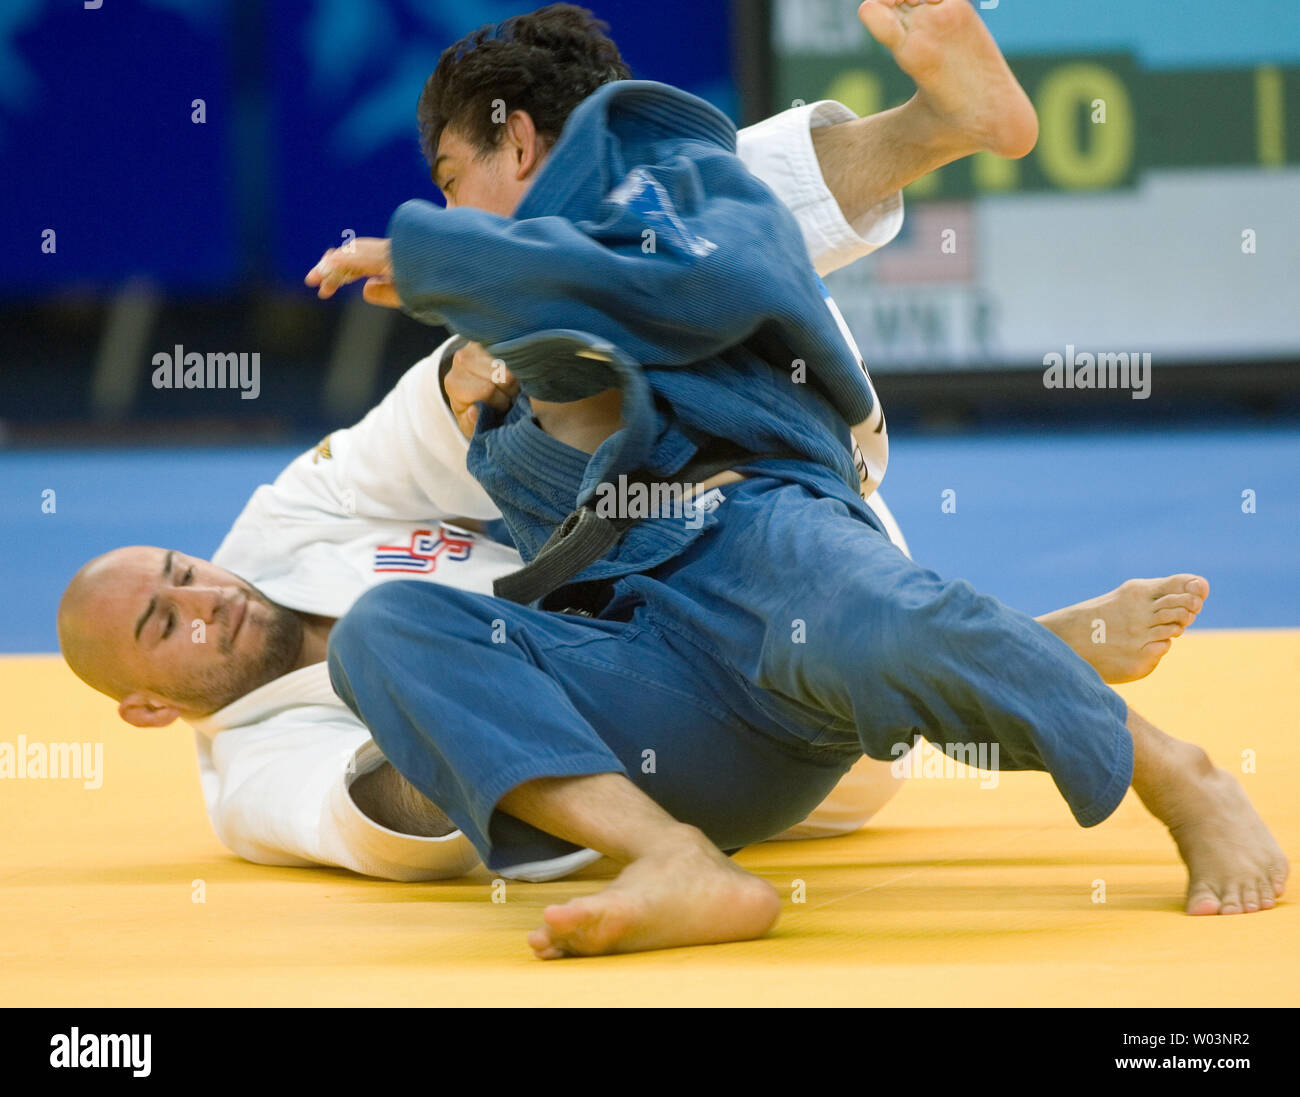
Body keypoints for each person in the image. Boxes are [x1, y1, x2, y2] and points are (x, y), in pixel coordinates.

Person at [306, 0, 1287, 960]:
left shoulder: (688, 185)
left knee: (882, 620)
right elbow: (570, 503)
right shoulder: (504, 359)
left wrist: (452, 260)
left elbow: (679, 290)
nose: (446, 211)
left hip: (766, 541)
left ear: (513, 139)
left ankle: (1176, 770)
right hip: (664, 683)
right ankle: (674, 860)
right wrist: (510, 388)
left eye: (449, 181)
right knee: (389, 631)